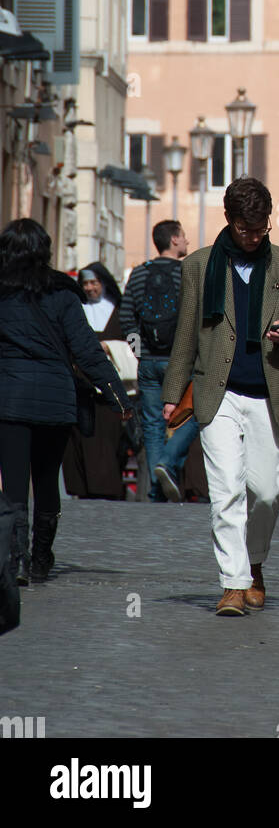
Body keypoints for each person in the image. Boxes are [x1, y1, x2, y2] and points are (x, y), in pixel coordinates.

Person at [161, 177, 279, 616]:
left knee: (267, 492)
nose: (254, 235)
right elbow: (186, 333)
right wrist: (173, 392)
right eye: (246, 227)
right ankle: (232, 583)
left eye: (261, 227)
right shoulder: (198, 266)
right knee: (226, 488)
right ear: (229, 220)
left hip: (269, 391)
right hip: (217, 392)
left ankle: (254, 561)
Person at [0, 219, 131, 585]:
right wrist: (119, 396)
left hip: (10, 397)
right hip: (56, 398)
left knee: (12, 486)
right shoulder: (63, 293)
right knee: (46, 481)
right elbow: (87, 351)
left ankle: (18, 561)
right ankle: (41, 557)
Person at [119, 219, 196, 503]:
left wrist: (139, 350)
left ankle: (155, 486)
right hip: (181, 360)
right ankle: (169, 462)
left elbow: (126, 317)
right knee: (194, 413)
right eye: (184, 236)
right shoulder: (189, 272)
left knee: (151, 424)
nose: (187, 242)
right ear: (174, 240)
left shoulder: (139, 274)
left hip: (149, 361)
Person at [62, 262, 133, 501]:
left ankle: (107, 485)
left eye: (94, 282)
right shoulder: (75, 309)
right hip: (81, 384)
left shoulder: (122, 310)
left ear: (104, 283)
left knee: (108, 439)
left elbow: (135, 343)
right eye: (85, 283)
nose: (90, 288)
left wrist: (113, 348)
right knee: (81, 437)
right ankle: (81, 486)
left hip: (111, 386)